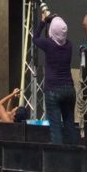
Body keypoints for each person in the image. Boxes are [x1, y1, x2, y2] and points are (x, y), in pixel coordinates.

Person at [32, 13, 78, 144]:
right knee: (70, 126)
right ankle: (74, 156)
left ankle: (57, 161)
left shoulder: (48, 44)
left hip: (53, 90)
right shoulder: (69, 45)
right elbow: (57, 34)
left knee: (56, 127)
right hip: (69, 89)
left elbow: (35, 38)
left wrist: (42, 22)